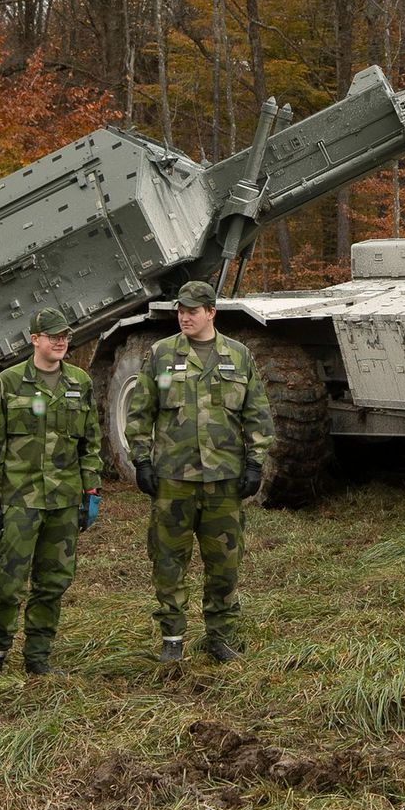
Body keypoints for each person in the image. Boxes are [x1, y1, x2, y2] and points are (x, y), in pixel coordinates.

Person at [127, 280, 272, 663]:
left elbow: (257, 413)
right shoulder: (160, 355)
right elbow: (141, 411)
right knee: (168, 561)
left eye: (192, 311)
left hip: (224, 480)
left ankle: (220, 637)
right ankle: (172, 638)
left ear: (211, 313)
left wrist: (255, 463)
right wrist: (141, 460)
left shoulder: (238, 356)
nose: (184, 317)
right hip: (173, 479)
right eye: (180, 310)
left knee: (224, 562)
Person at [0, 306, 101, 675]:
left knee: (53, 582)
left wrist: (91, 489)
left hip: (64, 500)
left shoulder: (80, 382)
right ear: (35, 340)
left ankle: (38, 656)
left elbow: (91, 441)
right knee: (7, 581)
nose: (61, 341)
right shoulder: (9, 383)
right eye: (53, 336)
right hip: (20, 500)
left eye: (65, 336)